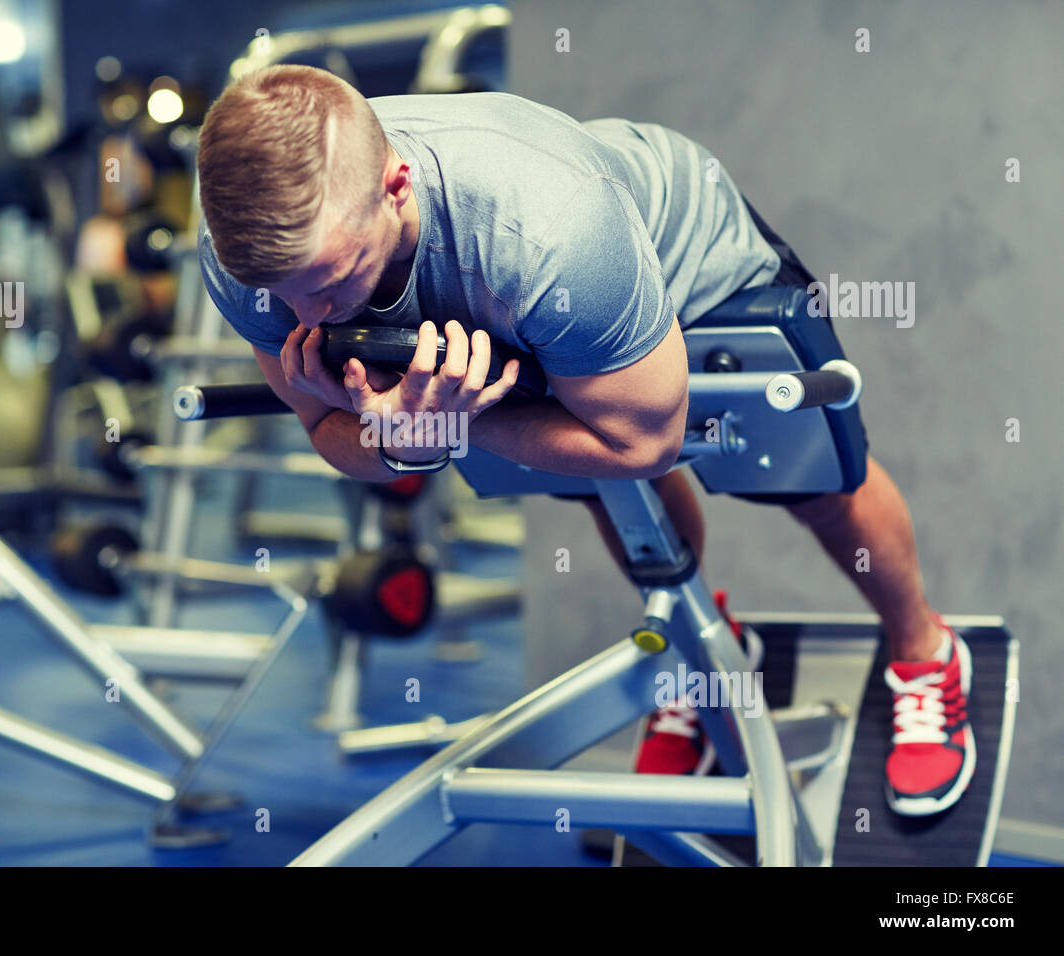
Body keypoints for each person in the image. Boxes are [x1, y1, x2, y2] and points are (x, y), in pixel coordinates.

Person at [195, 64, 973, 818]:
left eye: (332, 280)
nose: (314, 316)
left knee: (814, 482)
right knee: (604, 492)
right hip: (520, 311)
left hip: (683, 263)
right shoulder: (248, 262)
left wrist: (445, 423)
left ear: (395, 185)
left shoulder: (551, 225)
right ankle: (712, 664)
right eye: (288, 294)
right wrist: (407, 440)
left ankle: (925, 650)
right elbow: (325, 429)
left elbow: (647, 443)